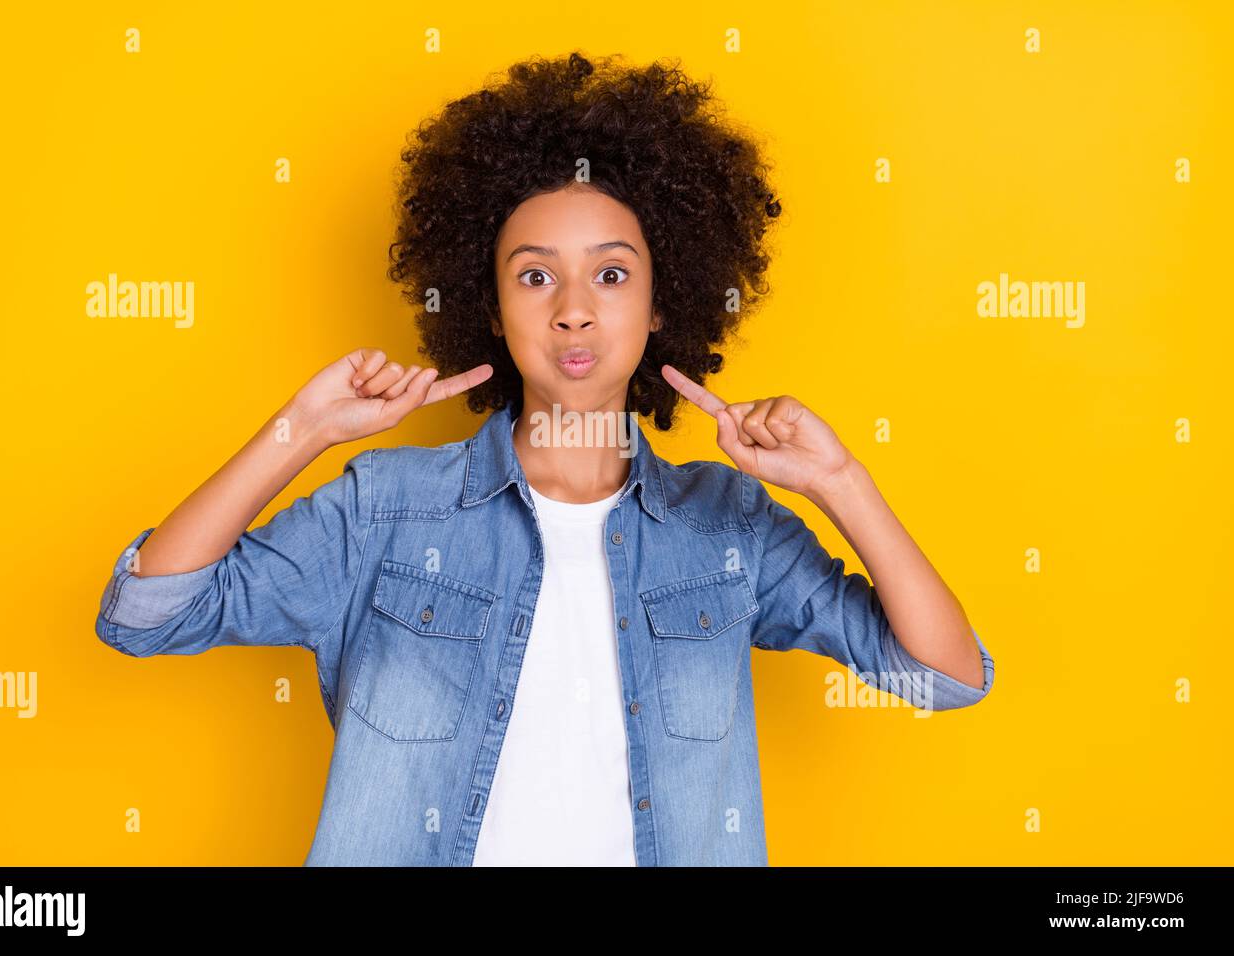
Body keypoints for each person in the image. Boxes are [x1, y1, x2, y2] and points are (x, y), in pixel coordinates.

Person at [95, 51, 994, 866]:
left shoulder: (731, 526)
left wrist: (841, 483)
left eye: (610, 274)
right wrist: (301, 428)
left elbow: (945, 677)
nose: (573, 309)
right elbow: (145, 614)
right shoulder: (385, 507)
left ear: (658, 303)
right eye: (534, 275)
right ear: (490, 306)